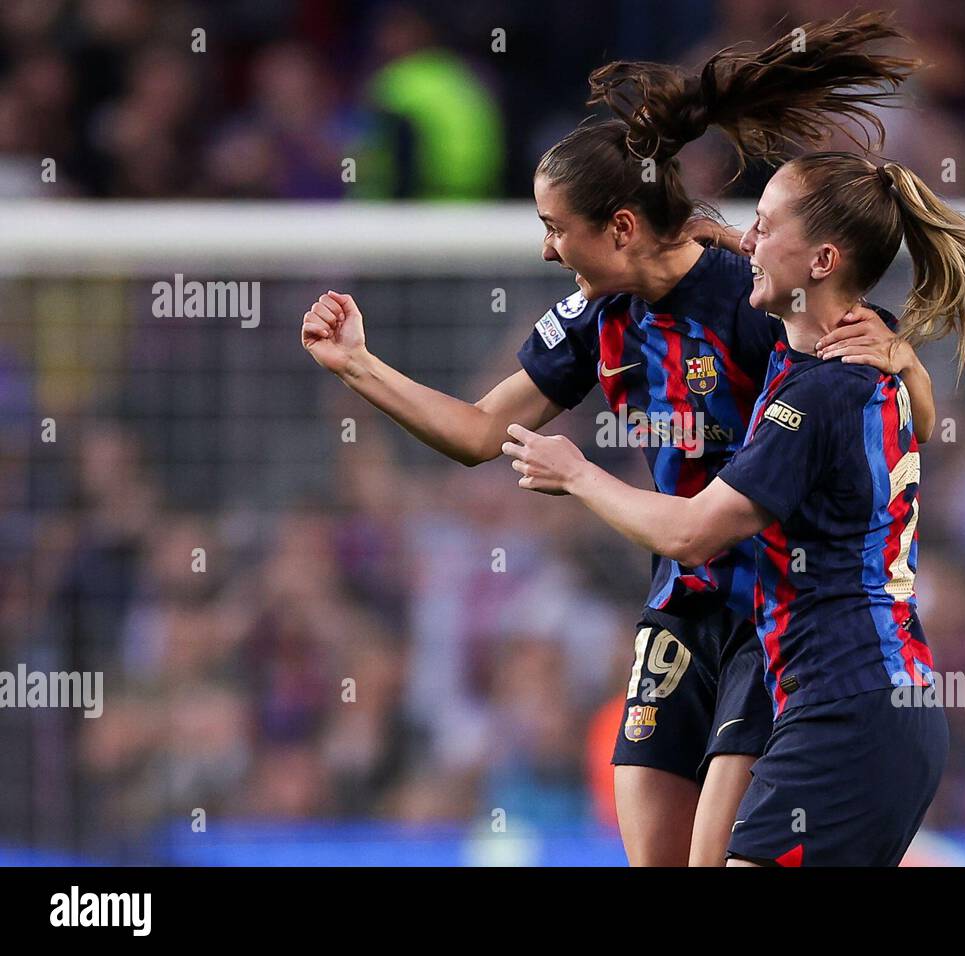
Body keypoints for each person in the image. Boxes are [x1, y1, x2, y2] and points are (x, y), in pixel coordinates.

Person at [301, 11, 933, 866]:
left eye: (558, 227)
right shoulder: (599, 319)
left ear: (622, 227)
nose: (546, 248)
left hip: (767, 619)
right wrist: (359, 367)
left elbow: (886, 407)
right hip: (679, 606)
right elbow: (483, 431)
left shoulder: (749, 300)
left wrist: (905, 359)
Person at [502, 150, 965, 865]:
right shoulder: (821, 360)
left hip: (852, 702)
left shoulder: (818, 396)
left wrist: (579, 474)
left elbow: (692, 533)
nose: (748, 240)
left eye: (765, 228)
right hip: (839, 698)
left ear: (821, 260)